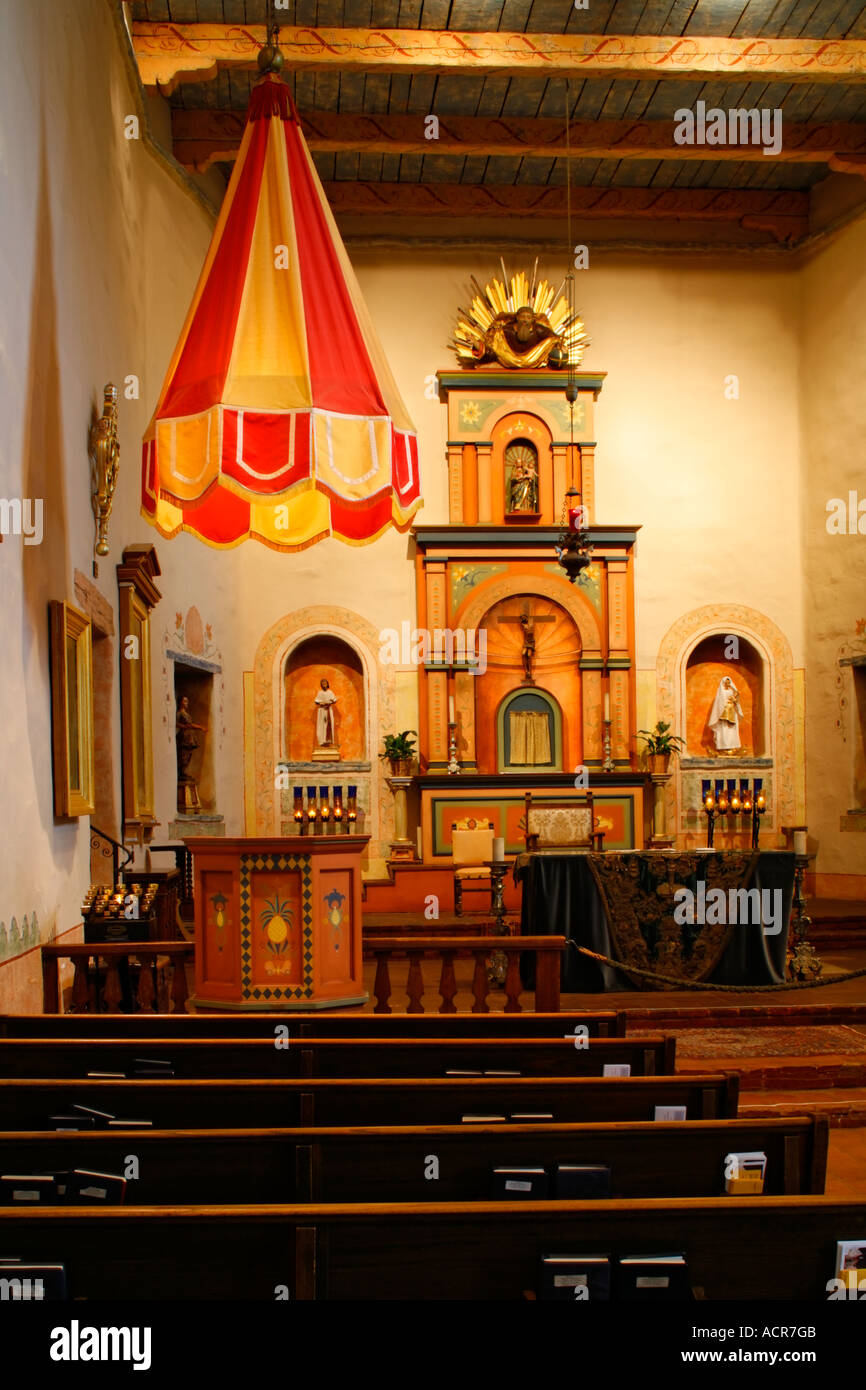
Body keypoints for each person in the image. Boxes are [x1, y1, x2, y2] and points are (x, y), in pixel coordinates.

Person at [708, 675, 744, 753]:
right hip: (723, 714)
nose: (727, 684)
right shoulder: (721, 692)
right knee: (724, 730)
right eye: (726, 682)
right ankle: (723, 747)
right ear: (723, 683)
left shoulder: (732, 691)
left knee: (732, 730)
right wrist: (724, 707)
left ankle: (732, 746)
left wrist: (735, 701)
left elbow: (736, 700)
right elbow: (719, 704)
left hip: (732, 713)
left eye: (728, 682)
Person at [314, 678, 338, 747]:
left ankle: (328, 741)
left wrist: (331, 702)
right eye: (322, 684)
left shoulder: (330, 692)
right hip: (322, 711)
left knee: (328, 724)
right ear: (321, 685)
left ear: (327, 684)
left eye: (325, 683)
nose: (324, 684)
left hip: (328, 710)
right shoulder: (320, 692)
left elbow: (334, 700)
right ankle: (322, 741)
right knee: (321, 725)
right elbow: (316, 701)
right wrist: (321, 703)